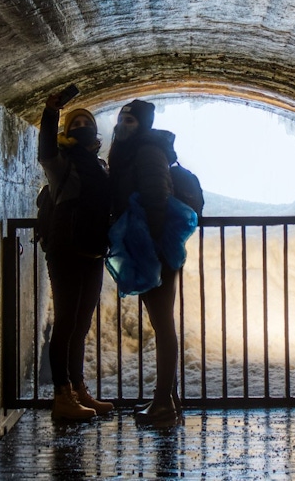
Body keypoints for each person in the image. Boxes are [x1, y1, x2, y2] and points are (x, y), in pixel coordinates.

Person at [107, 99, 185, 428]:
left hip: (157, 250)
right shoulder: (133, 151)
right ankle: (166, 397)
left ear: (144, 125)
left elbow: (157, 199)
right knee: (160, 322)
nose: (124, 124)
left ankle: (164, 404)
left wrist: (151, 251)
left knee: (163, 323)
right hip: (150, 248)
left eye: (132, 120)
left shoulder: (147, 152)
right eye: (122, 118)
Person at [38, 92, 114, 421]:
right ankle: (62, 395)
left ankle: (78, 389)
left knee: (81, 325)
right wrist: (51, 113)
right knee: (67, 322)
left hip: (93, 250)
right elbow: (45, 152)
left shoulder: (100, 165)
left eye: (87, 123)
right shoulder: (62, 164)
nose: (82, 127)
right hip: (66, 249)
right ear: (68, 131)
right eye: (76, 123)